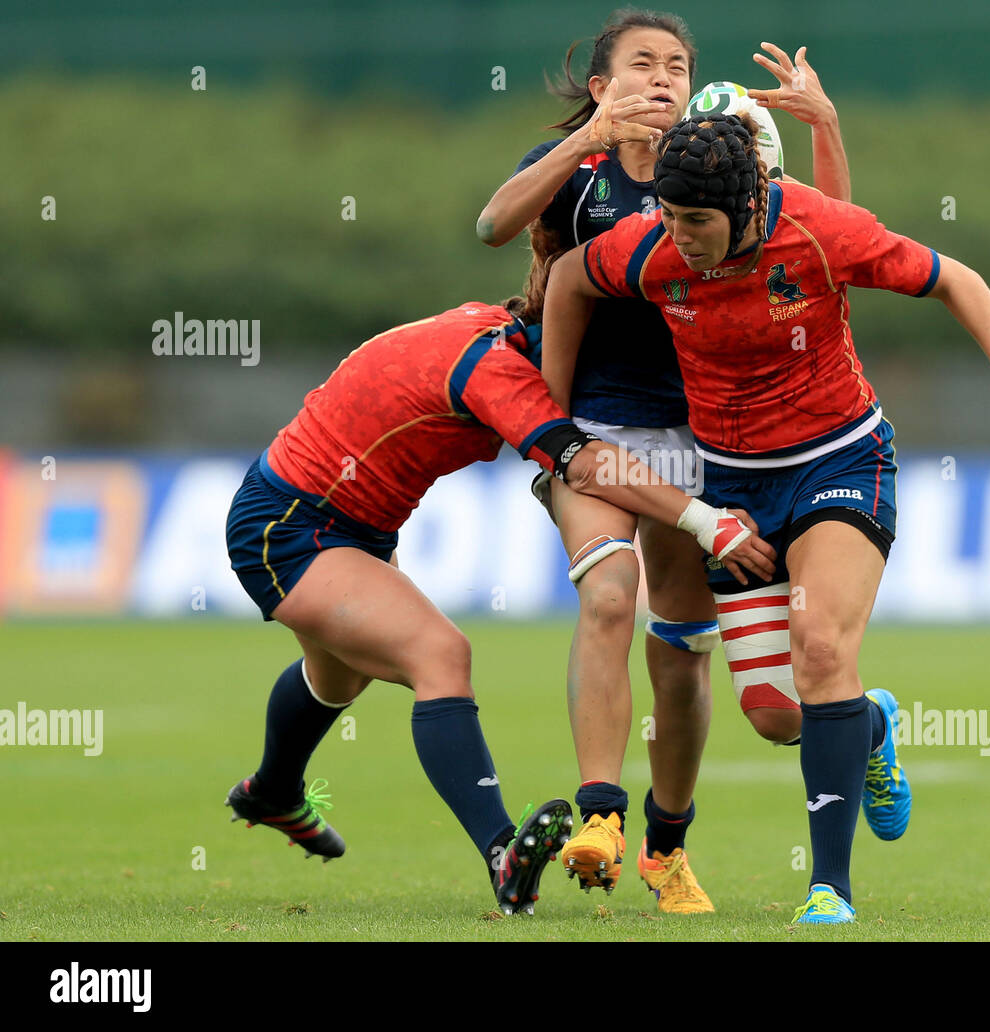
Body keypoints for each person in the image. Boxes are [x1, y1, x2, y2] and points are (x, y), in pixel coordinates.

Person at [541, 113, 990, 923]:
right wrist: (557, 417)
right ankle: (870, 726)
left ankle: (829, 888)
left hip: (839, 465)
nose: (678, 236)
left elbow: (954, 278)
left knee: (822, 647)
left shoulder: (820, 231)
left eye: (696, 222)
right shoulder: (651, 247)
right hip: (734, 490)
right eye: (667, 214)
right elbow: (569, 281)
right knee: (773, 716)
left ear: (748, 206)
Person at [222, 295, 774, 916]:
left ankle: (271, 790)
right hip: (289, 526)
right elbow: (586, 463)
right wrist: (706, 521)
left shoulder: (494, 327)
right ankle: (501, 854)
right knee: (439, 656)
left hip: (349, 521)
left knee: (338, 675)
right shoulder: (496, 372)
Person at [477, 7, 852, 913]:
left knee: (682, 659)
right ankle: (599, 812)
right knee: (608, 597)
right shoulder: (578, 170)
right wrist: (550, 434)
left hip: (705, 441)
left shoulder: (716, 165)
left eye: (677, 65)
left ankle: (665, 845)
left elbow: (833, 232)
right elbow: (493, 226)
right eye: (641, 64)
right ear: (603, 86)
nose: (662, 77)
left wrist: (824, 126)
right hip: (598, 432)